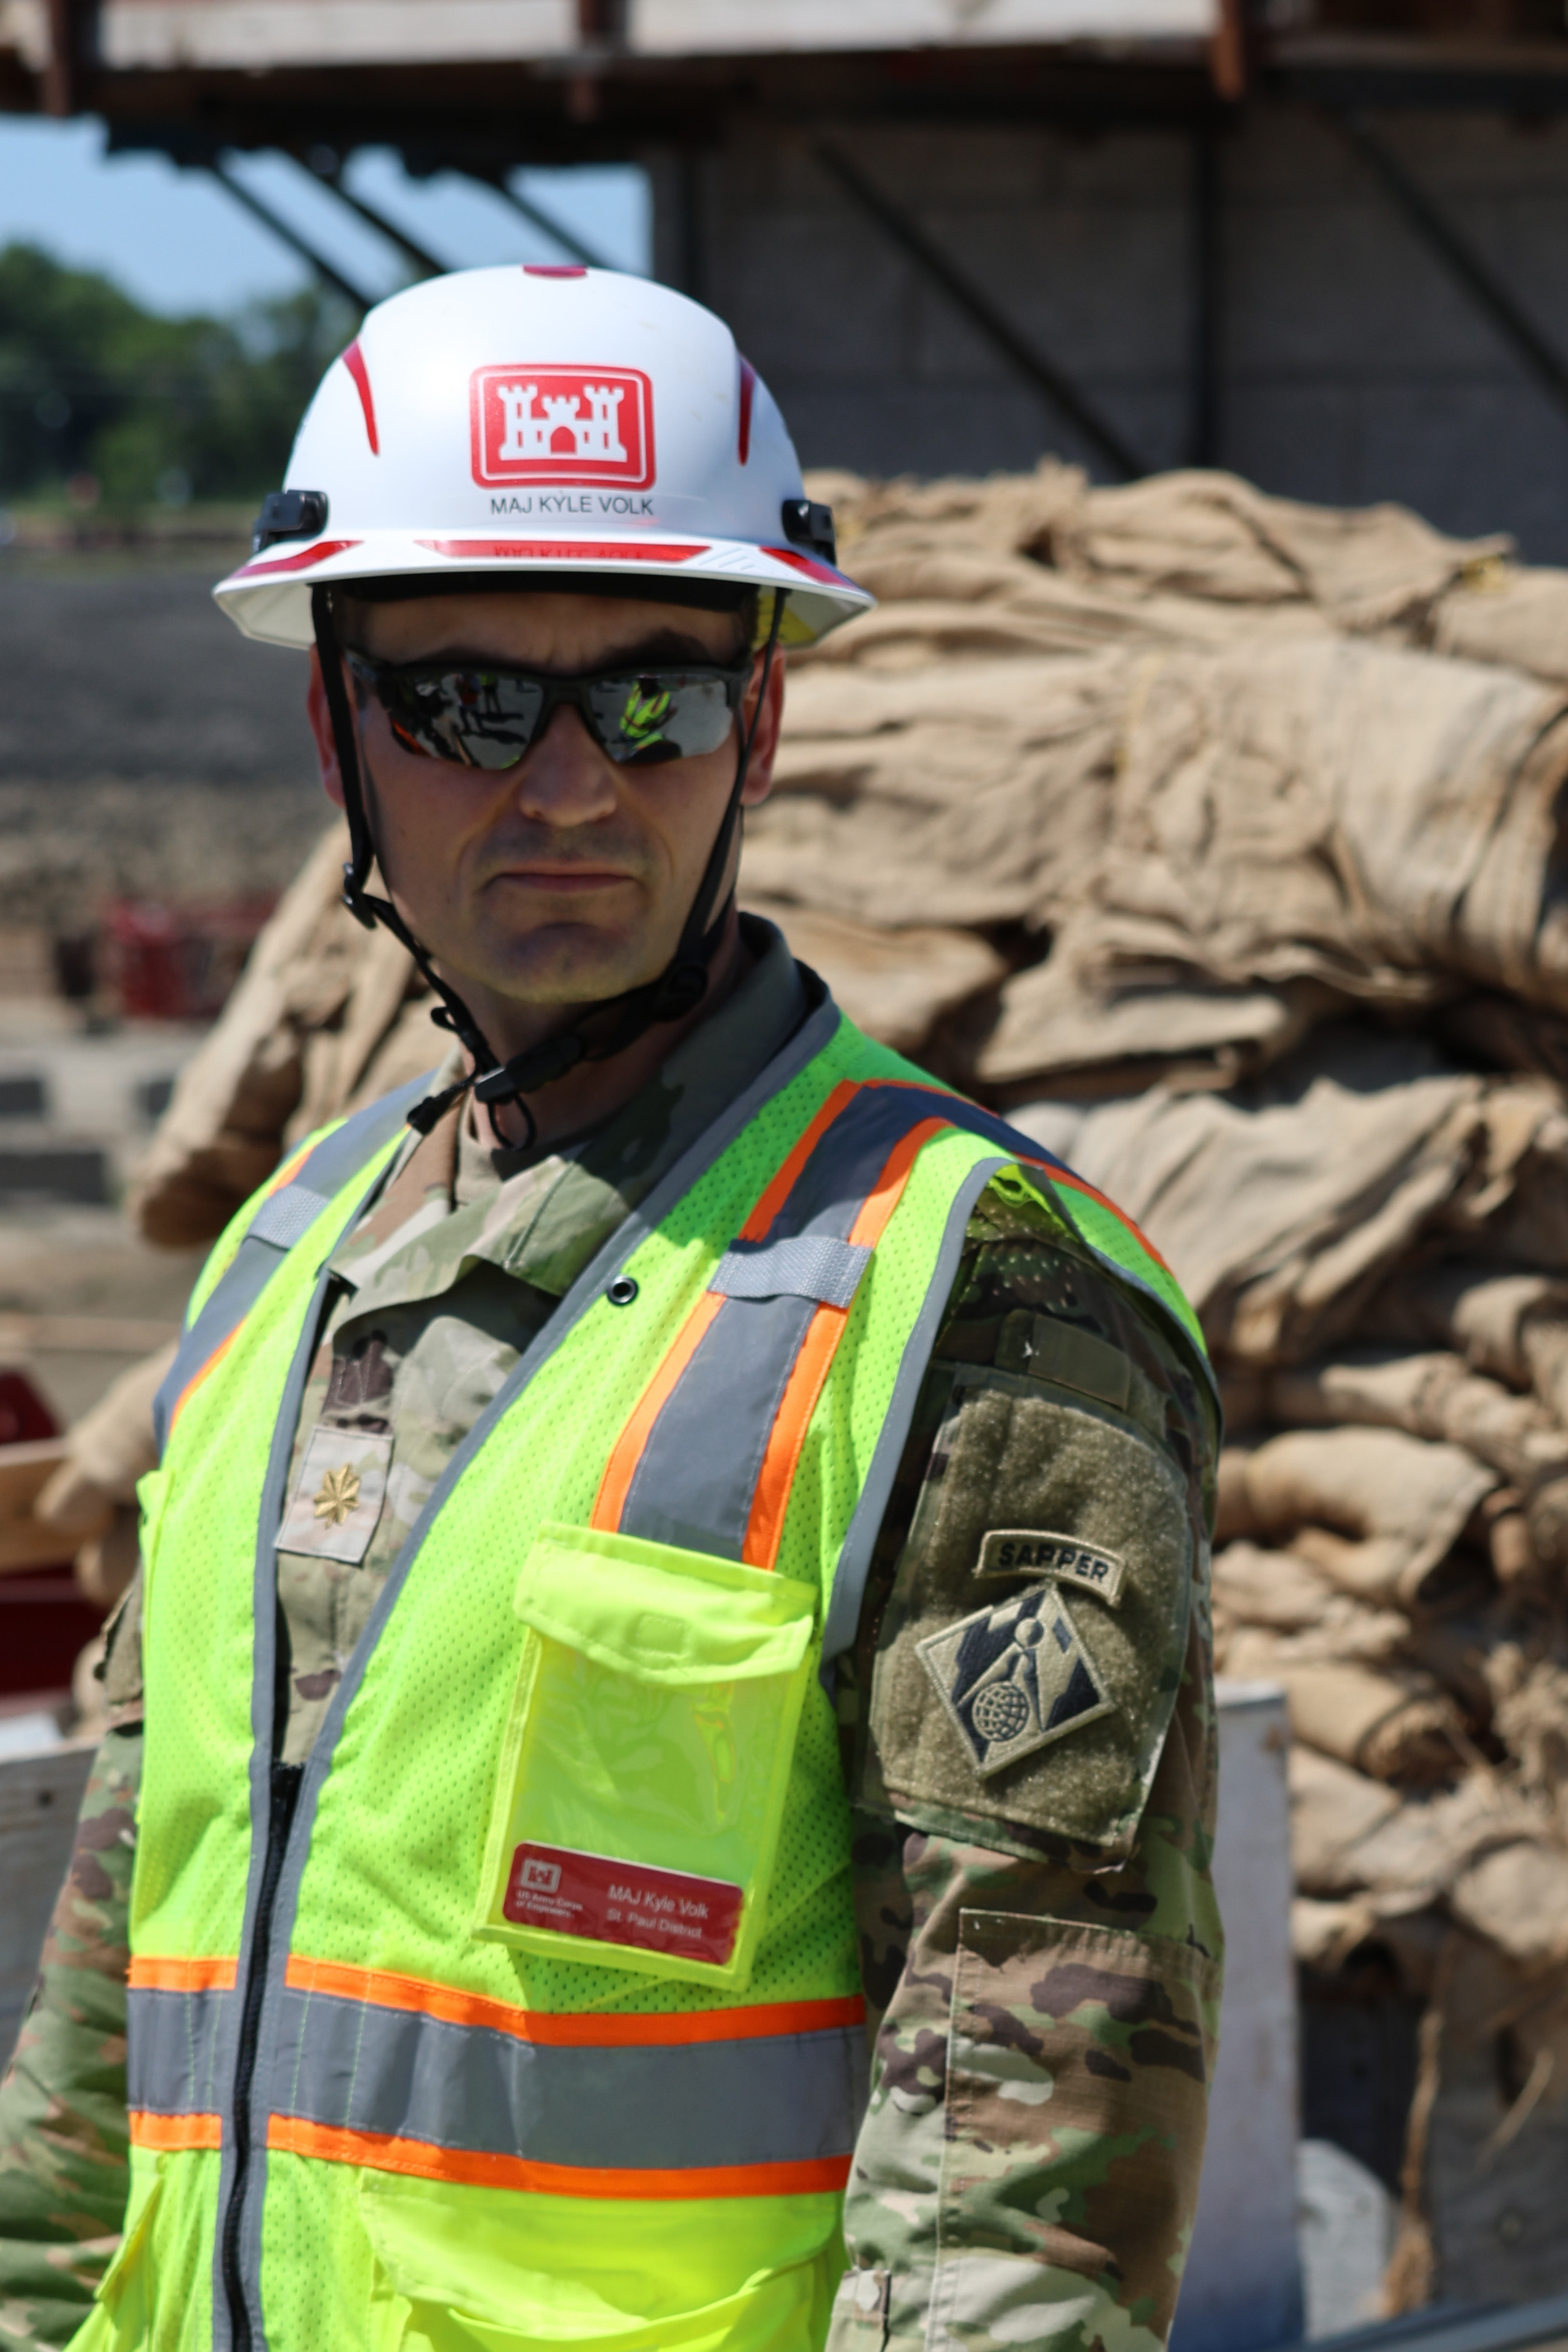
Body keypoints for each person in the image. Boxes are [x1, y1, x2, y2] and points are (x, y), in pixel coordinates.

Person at [0, 265, 1221, 2352]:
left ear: (763, 724)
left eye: (654, 699)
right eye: (469, 705)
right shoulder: (281, 1261)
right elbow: (105, 2040)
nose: (569, 786)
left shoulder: (969, 1290)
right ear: (336, 728)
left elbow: (1020, 2173)